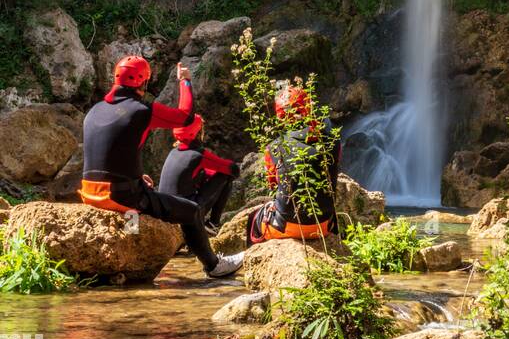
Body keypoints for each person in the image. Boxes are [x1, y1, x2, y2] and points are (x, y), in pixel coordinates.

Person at [80, 56, 243, 279]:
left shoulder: (95, 110)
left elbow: (107, 155)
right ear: (143, 83)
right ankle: (213, 266)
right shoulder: (140, 110)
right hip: (121, 195)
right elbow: (185, 116)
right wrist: (185, 81)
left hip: (90, 192)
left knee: (135, 208)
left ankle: (126, 261)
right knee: (191, 211)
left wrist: (137, 176)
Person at [248, 86, 340, 244]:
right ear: (308, 109)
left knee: (253, 218)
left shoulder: (274, 146)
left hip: (286, 226)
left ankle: (252, 262)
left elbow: (273, 184)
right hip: (324, 225)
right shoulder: (333, 142)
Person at [157, 113, 240, 235]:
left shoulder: (173, 152)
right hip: (186, 214)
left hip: (165, 211)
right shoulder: (198, 155)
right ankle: (213, 224)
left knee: (204, 175)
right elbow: (233, 169)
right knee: (226, 175)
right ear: (197, 132)